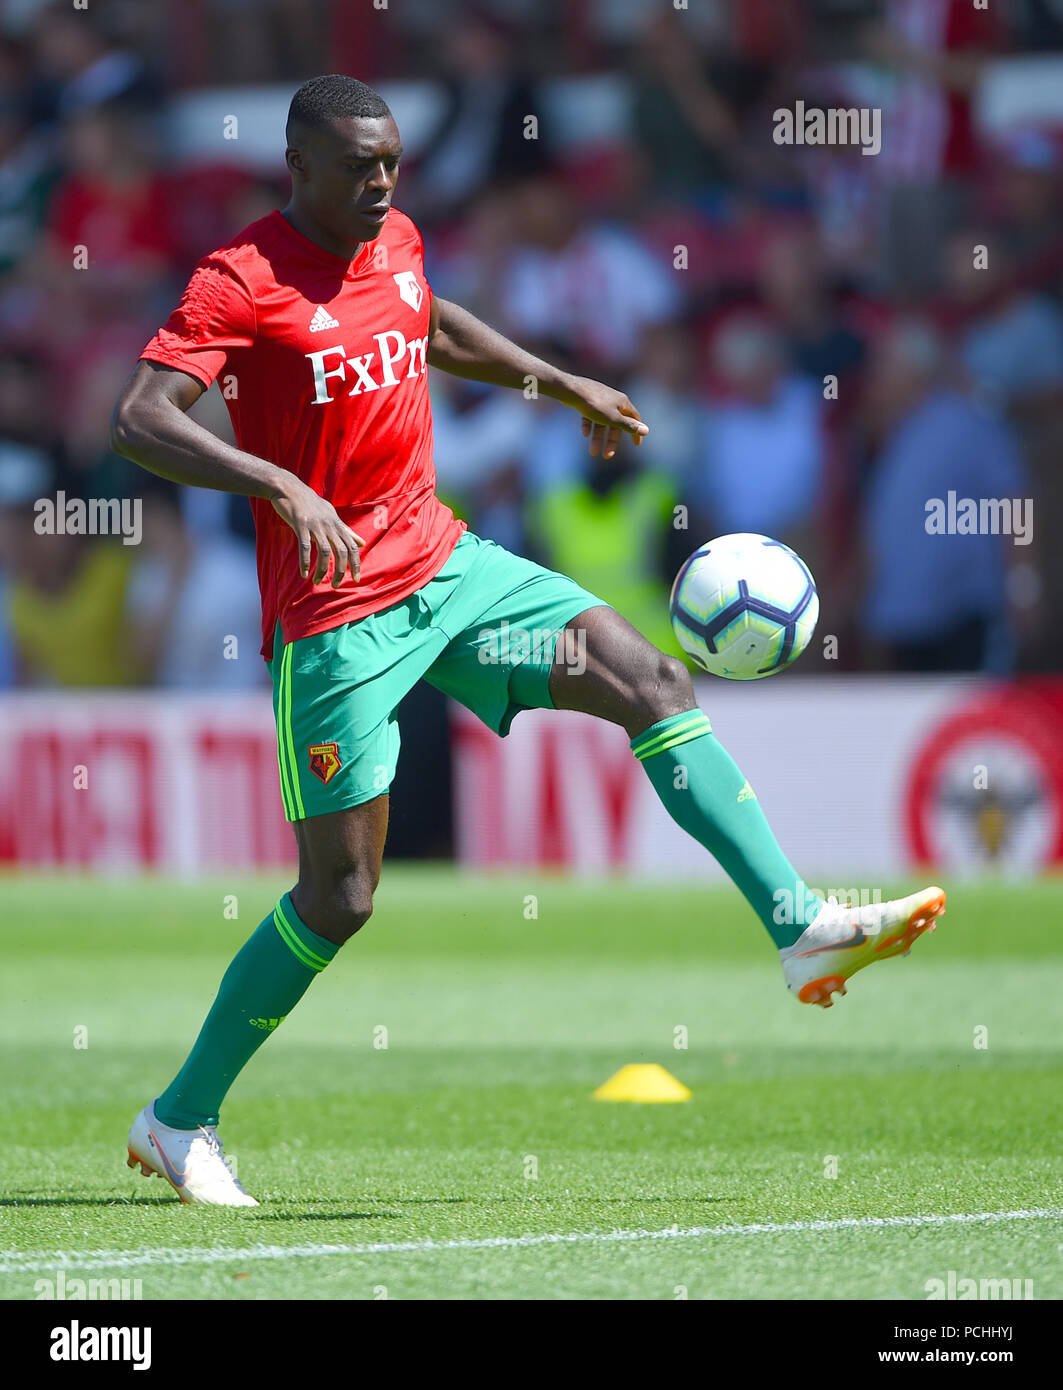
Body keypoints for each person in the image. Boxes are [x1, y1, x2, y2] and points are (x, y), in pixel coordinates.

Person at [111, 75, 945, 1206]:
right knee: (341, 897)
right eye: (358, 167)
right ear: (297, 167)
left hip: (445, 563)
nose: (382, 184)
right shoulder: (239, 279)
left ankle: (799, 927)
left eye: (393, 164)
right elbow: (141, 417)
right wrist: (274, 483)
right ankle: (178, 1118)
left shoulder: (394, 237)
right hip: (336, 609)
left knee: (651, 674)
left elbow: (428, 321)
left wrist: (553, 379)